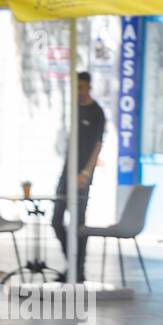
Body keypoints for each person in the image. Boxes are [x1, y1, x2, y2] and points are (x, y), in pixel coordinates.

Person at [51, 71, 106, 283]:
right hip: (67, 171)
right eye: (76, 88)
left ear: (89, 87)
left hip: (83, 174)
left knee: (78, 224)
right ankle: (72, 264)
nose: (78, 92)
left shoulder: (97, 112)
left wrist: (86, 172)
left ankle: (78, 270)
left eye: (81, 88)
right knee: (56, 220)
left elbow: (98, 145)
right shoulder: (73, 109)